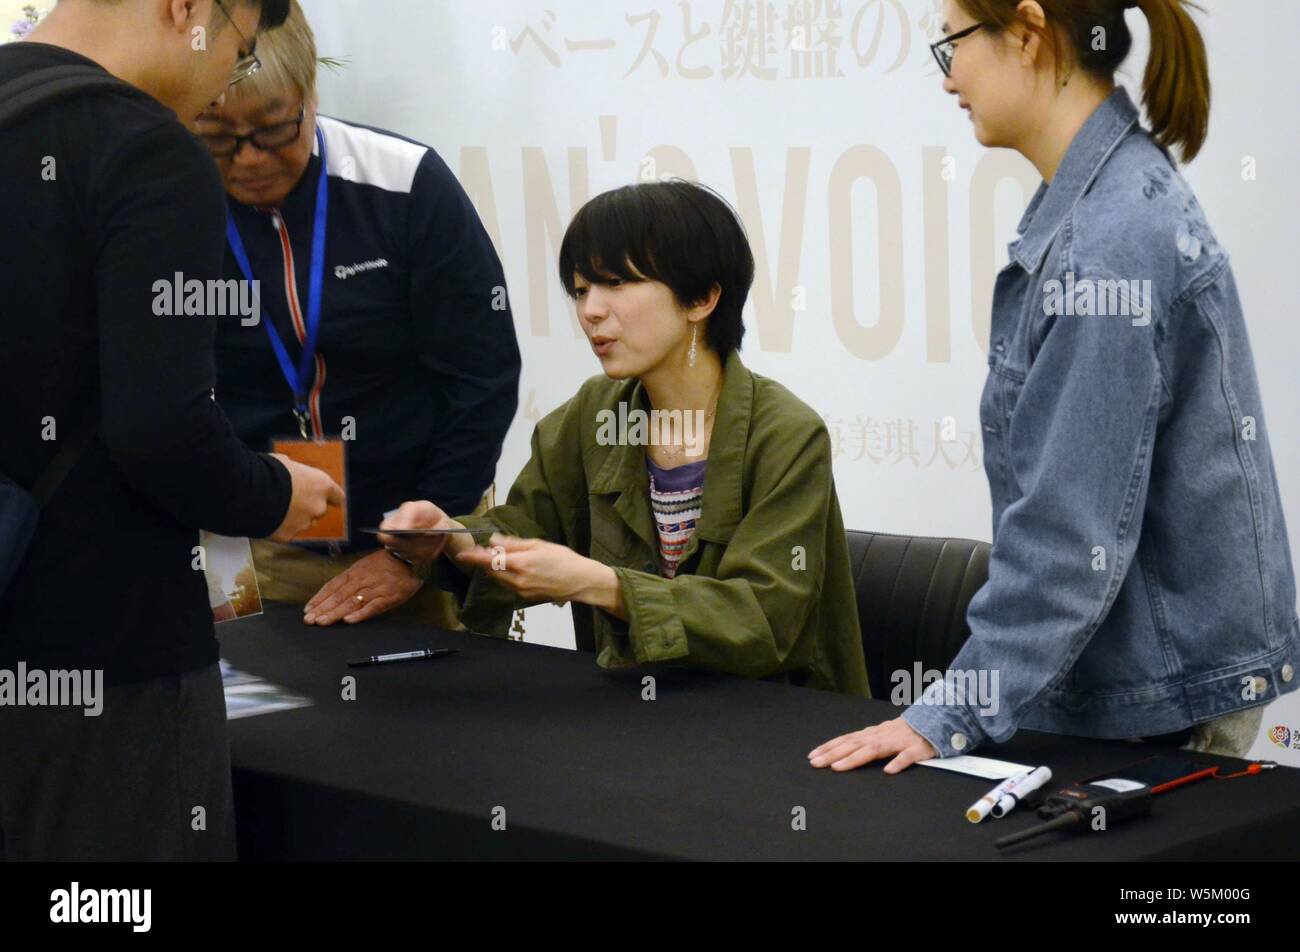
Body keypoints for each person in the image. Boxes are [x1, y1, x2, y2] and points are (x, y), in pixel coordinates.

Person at [810, 0, 1298, 774]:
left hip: (1165, 687)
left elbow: (1072, 536)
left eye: (953, 46)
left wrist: (948, 711)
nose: (948, 81)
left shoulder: (1104, 246)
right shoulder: (1101, 205)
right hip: (1151, 669)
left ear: (1030, 32)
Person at [0, 0, 343, 861]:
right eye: (237, 49)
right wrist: (274, 492)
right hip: (102, 649)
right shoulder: (145, 149)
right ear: (187, 8)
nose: (223, 79)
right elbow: (160, 432)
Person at [380, 181, 870, 694]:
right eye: (581, 289)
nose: (590, 310)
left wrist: (601, 585)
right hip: (628, 716)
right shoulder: (592, 415)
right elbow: (526, 530)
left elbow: (764, 621)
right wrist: (453, 538)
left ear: (702, 297)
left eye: (615, 283)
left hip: (772, 726)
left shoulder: (787, 433)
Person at [191, 1, 520, 629]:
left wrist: (415, 552)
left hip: (414, 540)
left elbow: (481, 377)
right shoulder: (175, 201)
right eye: (219, 139)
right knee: (252, 714)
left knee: (432, 720)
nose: (251, 160)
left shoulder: (404, 185)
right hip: (251, 543)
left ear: (311, 95)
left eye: (274, 130)